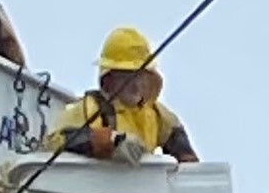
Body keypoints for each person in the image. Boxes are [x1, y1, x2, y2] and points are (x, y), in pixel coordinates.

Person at [44, 24, 198, 164]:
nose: (136, 85)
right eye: (127, 76)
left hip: (141, 184)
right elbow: (55, 141)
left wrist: (189, 165)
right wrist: (110, 141)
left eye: (140, 76)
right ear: (109, 79)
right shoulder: (90, 109)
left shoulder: (157, 115)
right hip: (99, 183)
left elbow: (185, 157)